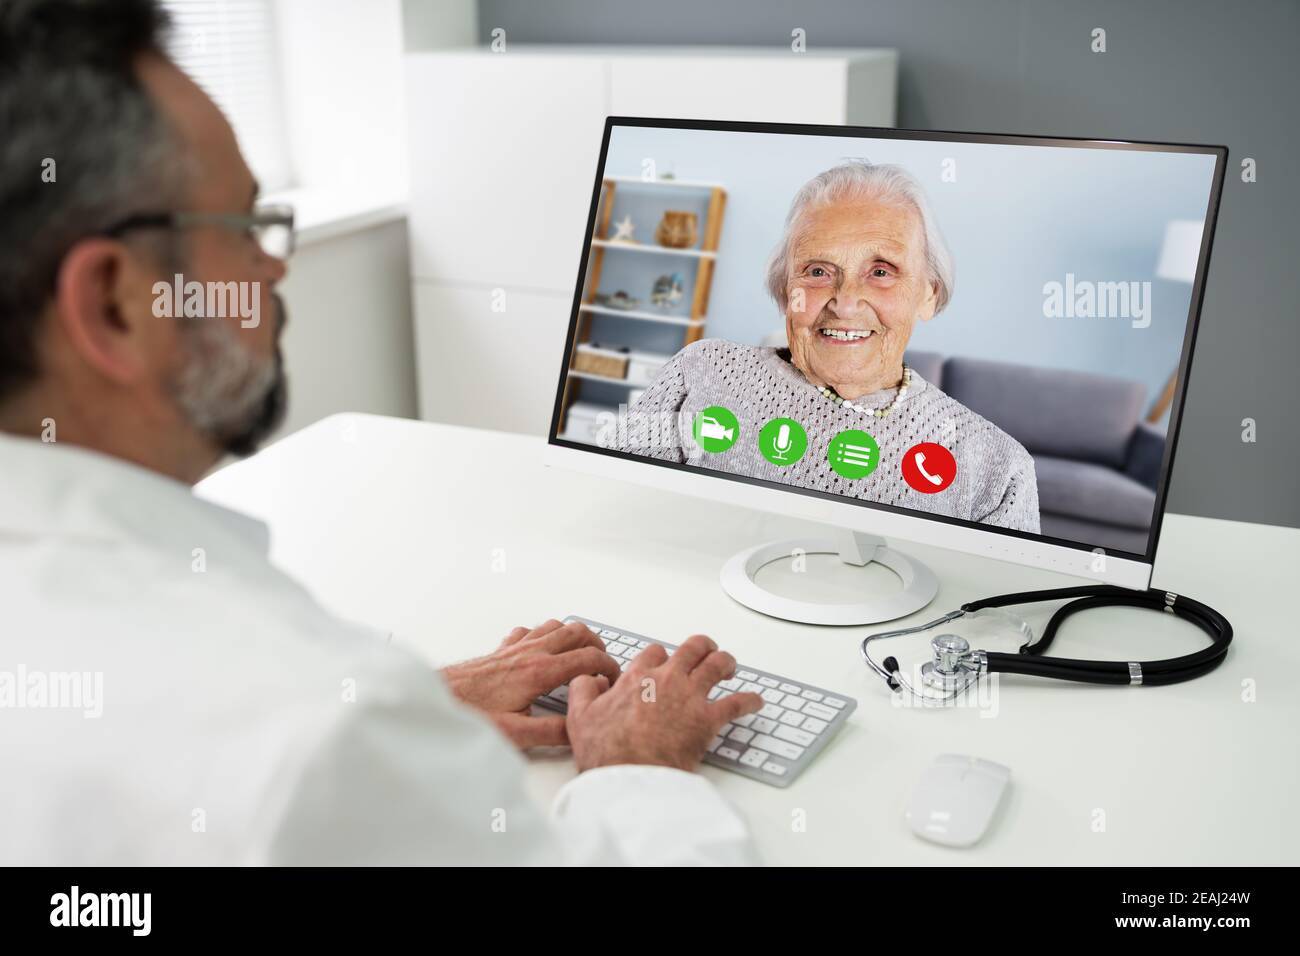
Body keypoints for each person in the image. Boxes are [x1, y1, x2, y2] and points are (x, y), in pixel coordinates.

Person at [0, 0, 762, 865]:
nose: (273, 262)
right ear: (113, 303)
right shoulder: (310, 733)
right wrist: (638, 768)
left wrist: (406, 715)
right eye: (245, 228)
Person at [617, 161, 1041, 533]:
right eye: (818, 271)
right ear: (786, 291)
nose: (845, 301)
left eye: (881, 271)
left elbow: (1004, 614)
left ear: (928, 294)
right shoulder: (700, 370)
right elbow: (618, 509)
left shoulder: (998, 466)